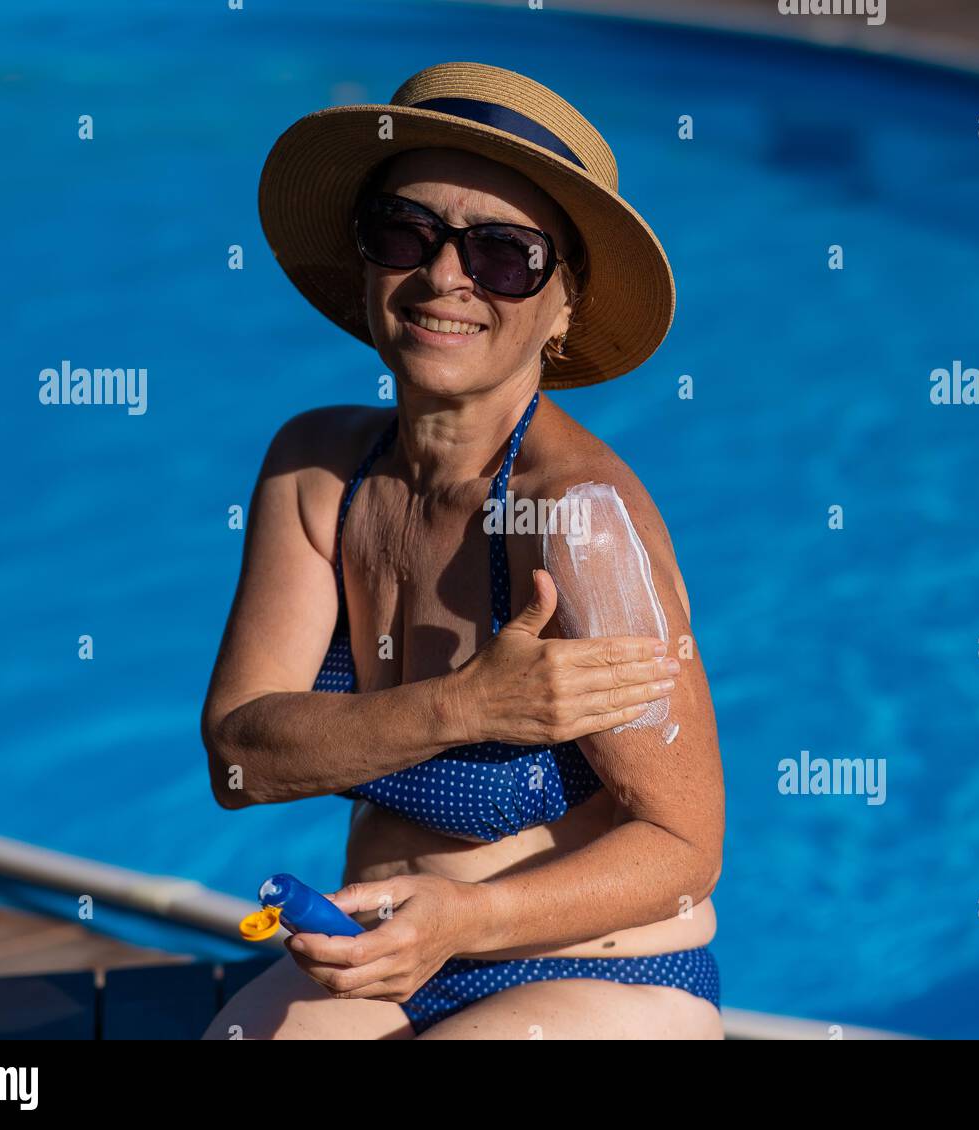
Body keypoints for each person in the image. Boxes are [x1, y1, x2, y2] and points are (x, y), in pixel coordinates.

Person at [200, 62, 724, 1040]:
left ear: (563, 303)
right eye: (406, 231)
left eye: (503, 254)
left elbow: (685, 843)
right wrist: (467, 706)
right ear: (365, 262)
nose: (445, 276)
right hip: (387, 956)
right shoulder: (314, 470)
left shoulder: (577, 521)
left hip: (599, 979)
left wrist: (471, 918)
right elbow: (238, 762)